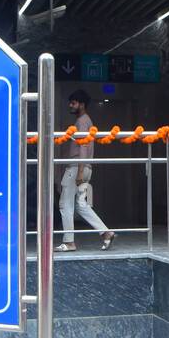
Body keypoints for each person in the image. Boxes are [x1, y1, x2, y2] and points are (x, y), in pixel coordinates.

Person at [56, 89, 115, 253]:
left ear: (81, 105)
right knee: (81, 205)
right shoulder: (87, 120)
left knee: (64, 204)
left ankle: (69, 242)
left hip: (77, 167)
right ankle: (106, 233)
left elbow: (83, 146)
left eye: (73, 103)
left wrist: (80, 170)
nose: (70, 105)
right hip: (85, 167)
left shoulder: (82, 121)